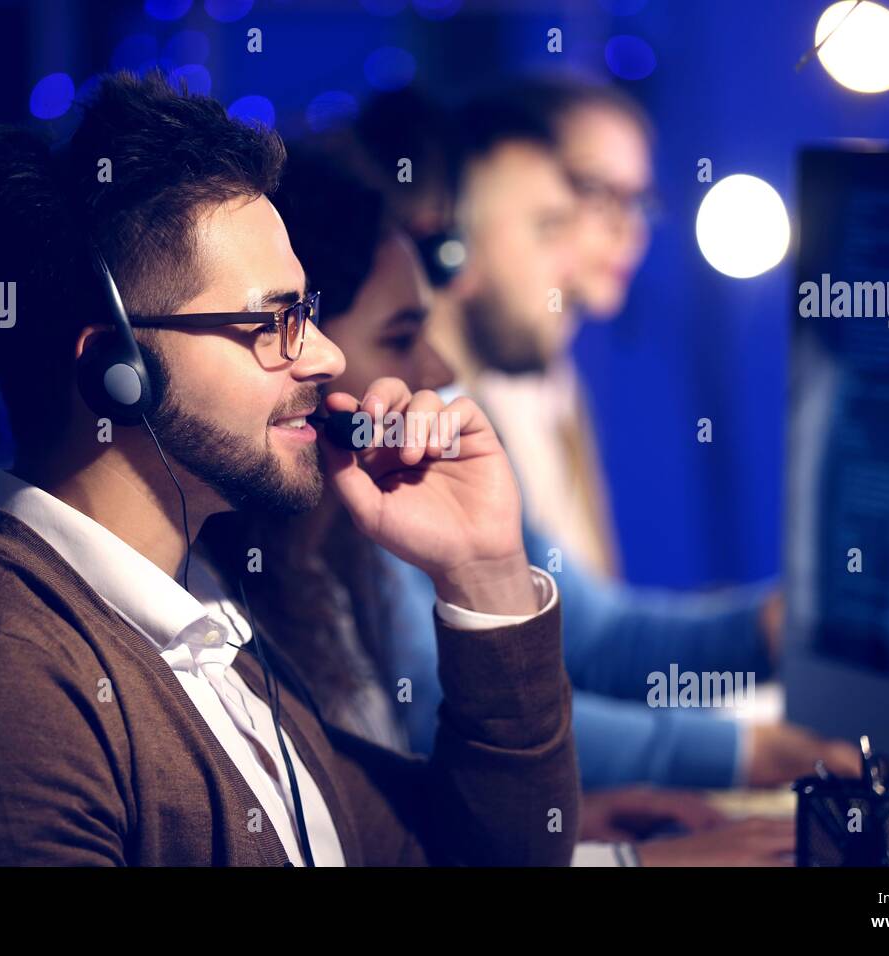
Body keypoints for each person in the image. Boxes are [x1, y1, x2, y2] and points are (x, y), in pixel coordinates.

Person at [0, 71, 578, 867]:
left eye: (308, 312)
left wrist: (484, 573)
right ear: (118, 368)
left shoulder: (205, 613)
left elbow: (476, 857)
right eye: (273, 322)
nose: (325, 355)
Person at [203, 145, 794, 865]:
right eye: (551, 224)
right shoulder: (219, 602)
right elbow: (427, 734)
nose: (590, 249)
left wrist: (581, 840)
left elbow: (424, 836)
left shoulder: (338, 550)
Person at [389, 82, 862, 788]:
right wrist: (747, 753)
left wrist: (782, 627)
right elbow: (433, 708)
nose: (583, 252)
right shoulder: (399, 433)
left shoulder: (463, 412)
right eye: (553, 225)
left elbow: (594, 636)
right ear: (450, 250)